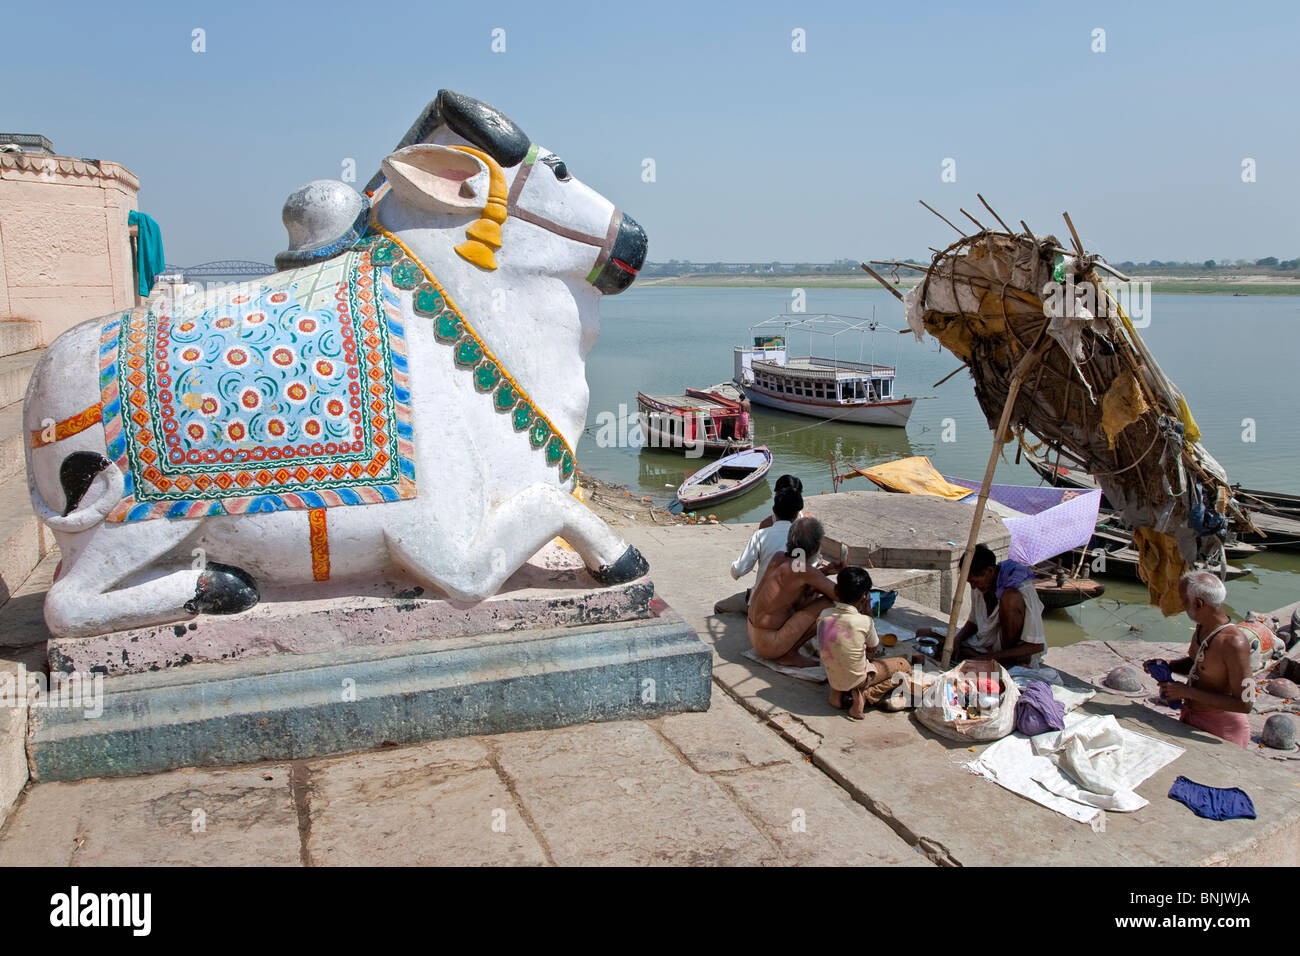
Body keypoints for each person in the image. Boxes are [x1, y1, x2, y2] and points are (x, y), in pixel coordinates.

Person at [1144, 571, 1253, 748]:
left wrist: (1186, 692)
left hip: (1223, 728)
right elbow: (1198, 664)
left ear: (1198, 603)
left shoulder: (1235, 643)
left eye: (1184, 601)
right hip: (1191, 717)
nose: (1182, 606)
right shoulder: (1202, 627)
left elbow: (1246, 704)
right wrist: (1168, 666)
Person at [914, 544, 1046, 667]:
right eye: (969, 582)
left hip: (1012, 652)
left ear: (990, 571)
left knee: (1010, 598)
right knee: (924, 634)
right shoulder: (979, 585)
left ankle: (1000, 662)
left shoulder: (1022, 588)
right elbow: (973, 622)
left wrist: (987, 658)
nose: (973, 587)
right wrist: (956, 641)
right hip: (985, 643)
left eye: (975, 581)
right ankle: (984, 659)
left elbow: (1036, 646)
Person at [818, 566, 913, 718]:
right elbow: (873, 649)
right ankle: (863, 696)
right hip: (857, 677)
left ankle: (836, 695)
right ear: (864, 597)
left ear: (836, 590)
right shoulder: (864, 621)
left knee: (840, 657)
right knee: (904, 666)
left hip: (830, 673)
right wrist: (868, 614)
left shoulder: (824, 615)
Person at [747, 517, 841, 668]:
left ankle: (787, 648)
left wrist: (826, 570)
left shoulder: (778, 557)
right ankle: (790, 654)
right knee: (827, 603)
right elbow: (840, 594)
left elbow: (796, 579)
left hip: (753, 633)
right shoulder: (805, 570)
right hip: (769, 644)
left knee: (810, 592)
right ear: (815, 548)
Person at [729, 488, 803, 593]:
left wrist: (733, 570)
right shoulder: (803, 537)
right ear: (797, 514)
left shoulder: (761, 535)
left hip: (763, 599)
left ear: (774, 510)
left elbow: (739, 569)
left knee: (719, 607)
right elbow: (810, 567)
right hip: (793, 600)